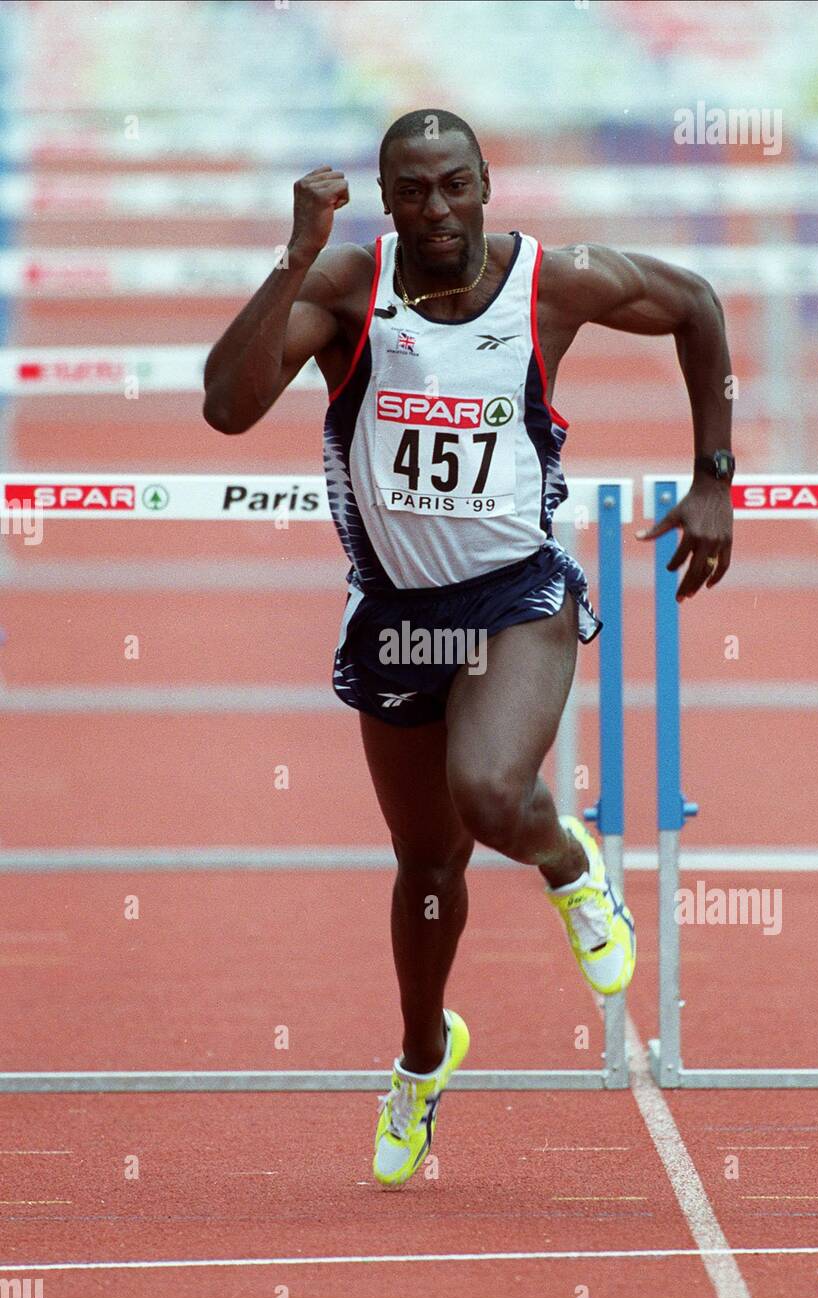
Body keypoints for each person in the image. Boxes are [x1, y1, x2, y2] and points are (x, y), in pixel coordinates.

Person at [203, 109, 734, 1189]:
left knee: (491, 795)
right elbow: (226, 406)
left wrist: (714, 474)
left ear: (487, 184)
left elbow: (695, 305)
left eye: (454, 186)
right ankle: (419, 1055)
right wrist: (292, 258)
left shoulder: (552, 283)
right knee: (427, 865)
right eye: (412, 191)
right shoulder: (352, 286)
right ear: (387, 200)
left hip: (514, 595)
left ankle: (571, 866)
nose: (435, 210)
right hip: (396, 613)